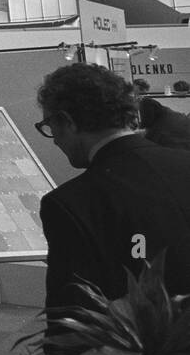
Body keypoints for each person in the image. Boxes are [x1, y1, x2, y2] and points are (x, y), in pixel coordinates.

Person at [35, 64, 190, 327]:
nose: (54, 140)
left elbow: (73, 317)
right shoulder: (184, 161)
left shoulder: (70, 203)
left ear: (68, 121)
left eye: (50, 125)